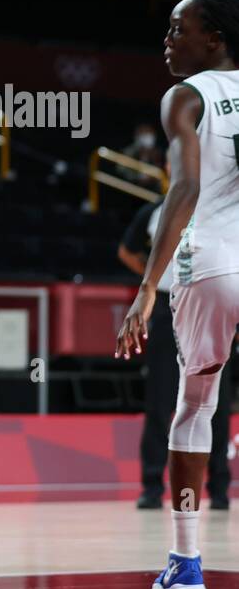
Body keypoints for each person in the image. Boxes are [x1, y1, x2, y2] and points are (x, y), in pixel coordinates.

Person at [116, 0, 239, 589]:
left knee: (195, 408)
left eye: (176, 28)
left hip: (212, 264)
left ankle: (186, 565)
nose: (167, 40)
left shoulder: (186, 96)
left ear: (213, 38)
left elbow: (185, 187)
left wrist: (145, 289)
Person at [118, 191, 232, 511]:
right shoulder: (155, 211)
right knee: (160, 398)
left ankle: (219, 487)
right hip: (169, 307)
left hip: (212, 305)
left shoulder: (223, 205)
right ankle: (152, 485)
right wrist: (150, 283)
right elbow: (126, 251)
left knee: (217, 403)